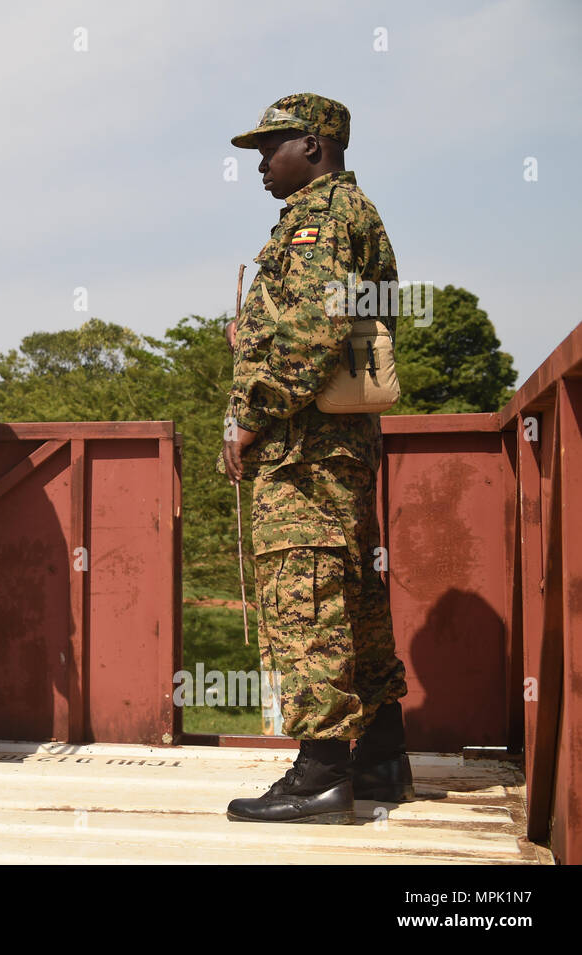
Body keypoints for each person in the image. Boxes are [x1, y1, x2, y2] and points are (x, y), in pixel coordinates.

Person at [220, 94, 411, 823]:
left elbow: (314, 331)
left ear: (315, 143)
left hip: (305, 447)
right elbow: (359, 317)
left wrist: (250, 412)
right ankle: (382, 754)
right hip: (339, 443)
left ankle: (322, 772)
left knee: (306, 596)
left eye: (271, 149)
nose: (262, 164)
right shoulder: (352, 214)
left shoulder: (320, 217)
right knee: (352, 594)